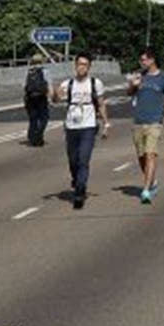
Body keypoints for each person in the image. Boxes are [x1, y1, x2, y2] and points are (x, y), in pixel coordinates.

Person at [54, 52, 110, 210]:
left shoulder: (95, 83)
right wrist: (55, 94)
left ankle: (79, 191)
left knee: (83, 159)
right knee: (73, 160)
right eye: (79, 64)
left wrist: (106, 124)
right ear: (75, 65)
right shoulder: (68, 84)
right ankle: (76, 178)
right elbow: (56, 99)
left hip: (89, 125)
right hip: (71, 125)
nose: (81, 68)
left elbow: (100, 103)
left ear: (89, 67)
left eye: (85, 65)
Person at [127, 48, 164, 204]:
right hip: (139, 121)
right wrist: (133, 85)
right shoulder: (140, 76)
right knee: (141, 157)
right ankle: (152, 181)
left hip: (155, 122)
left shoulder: (163, 78)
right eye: (141, 60)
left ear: (152, 60)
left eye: (144, 59)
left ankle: (146, 190)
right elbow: (128, 93)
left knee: (150, 154)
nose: (142, 62)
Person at [23, 62, 50, 147]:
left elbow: (24, 86)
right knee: (44, 118)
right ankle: (38, 136)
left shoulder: (28, 72)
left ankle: (32, 137)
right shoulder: (45, 71)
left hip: (30, 98)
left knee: (33, 119)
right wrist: (50, 98)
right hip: (41, 98)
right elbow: (49, 85)